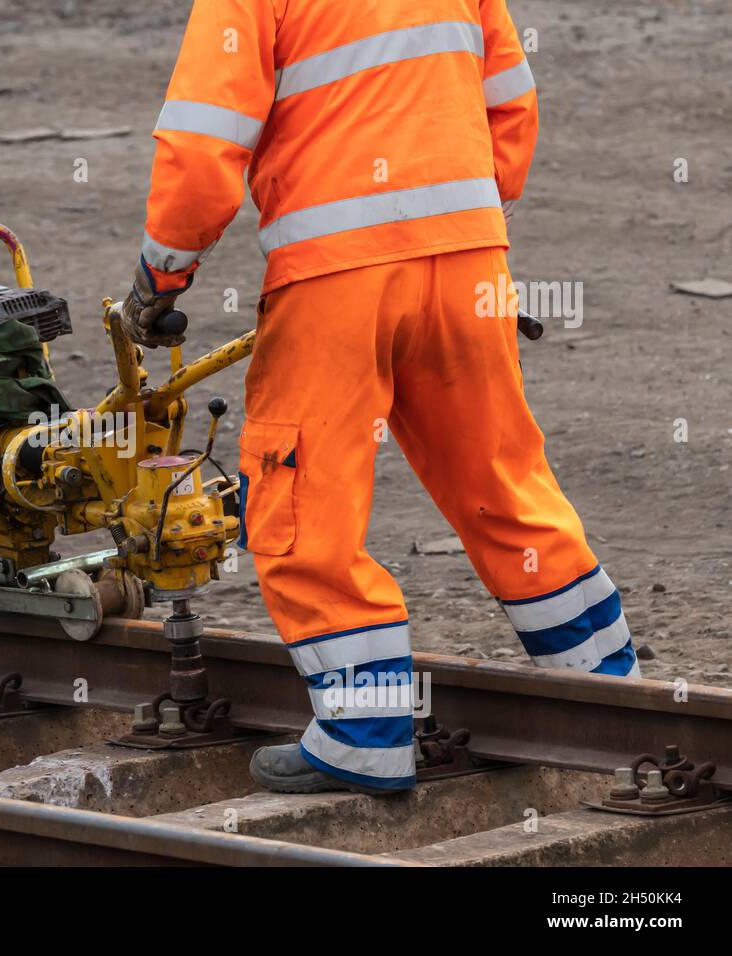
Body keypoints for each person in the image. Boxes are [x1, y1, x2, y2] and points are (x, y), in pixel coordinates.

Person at [120, 0, 637, 795]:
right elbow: (511, 103)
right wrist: (451, 221)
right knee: (501, 479)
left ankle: (365, 735)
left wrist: (161, 275)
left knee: (302, 495)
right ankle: (613, 700)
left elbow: (200, 147)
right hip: (468, 263)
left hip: (337, 277)